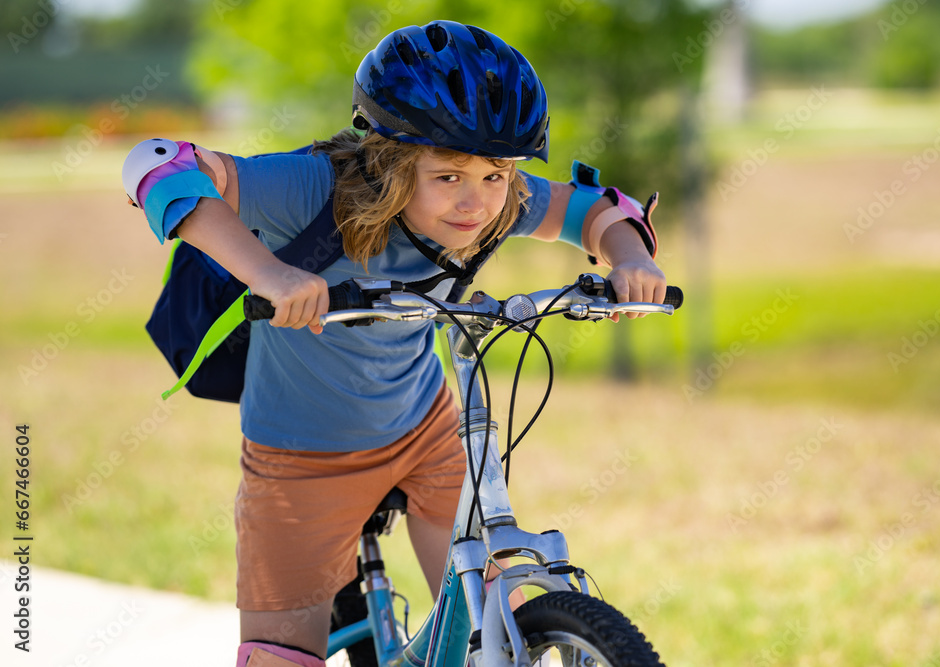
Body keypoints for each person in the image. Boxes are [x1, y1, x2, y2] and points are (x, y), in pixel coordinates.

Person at [123, 20, 666, 667]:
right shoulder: (313, 189)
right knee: (280, 657)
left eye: (495, 175)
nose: (477, 202)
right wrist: (268, 274)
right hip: (303, 457)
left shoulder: (501, 199)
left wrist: (630, 257)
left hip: (424, 431)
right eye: (448, 177)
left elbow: (592, 208)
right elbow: (156, 165)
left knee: (485, 622)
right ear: (392, 161)